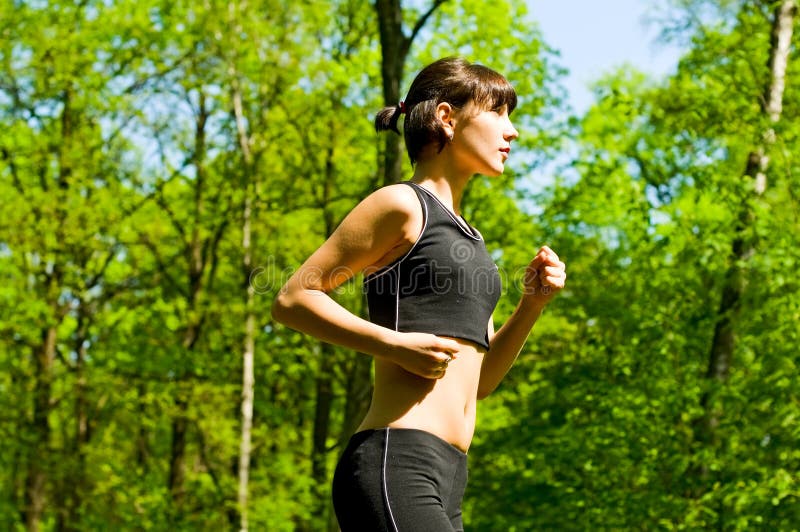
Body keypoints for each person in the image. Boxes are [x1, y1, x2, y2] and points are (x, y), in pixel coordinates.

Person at [271, 57, 566, 532]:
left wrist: (531, 305)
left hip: (448, 476)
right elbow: (292, 299)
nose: (513, 132)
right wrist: (394, 345)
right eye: (499, 113)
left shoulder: (474, 244)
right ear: (448, 118)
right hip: (396, 459)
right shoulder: (402, 205)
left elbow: (482, 381)